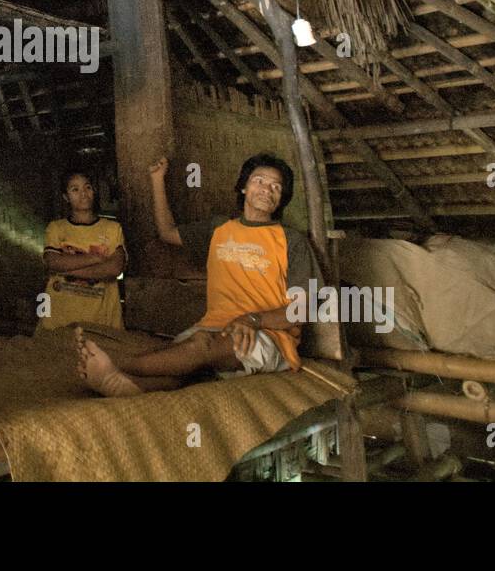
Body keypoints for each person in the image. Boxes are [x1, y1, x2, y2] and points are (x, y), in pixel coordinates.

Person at [76, 153, 316, 396]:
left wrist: (253, 320)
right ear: (244, 187)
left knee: (201, 345)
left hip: (267, 336)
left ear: (281, 198)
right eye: (260, 180)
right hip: (214, 328)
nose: (267, 189)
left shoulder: (291, 241)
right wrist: (157, 180)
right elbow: (167, 232)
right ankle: (122, 384)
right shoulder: (219, 229)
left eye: (276, 186)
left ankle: (116, 363)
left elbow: (302, 309)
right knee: (177, 369)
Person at [37, 170, 126, 332]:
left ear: (94, 192)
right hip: (59, 320)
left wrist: (67, 268)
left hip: (101, 321)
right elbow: (53, 262)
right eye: (75, 189)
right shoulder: (56, 228)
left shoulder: (112, 229)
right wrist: (96, 258)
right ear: (66, 197)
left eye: (88, 187)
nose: (83, 194)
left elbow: (114, 269)